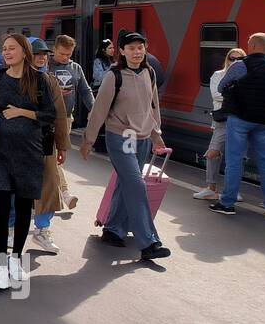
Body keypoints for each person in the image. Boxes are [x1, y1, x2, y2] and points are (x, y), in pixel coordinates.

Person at [80, 31, 171, 262]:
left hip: (141, 139)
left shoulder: (148, 73)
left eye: (140, 47)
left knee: (125, 184)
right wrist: (88, 140)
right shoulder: (114, 76)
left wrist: (156, 134)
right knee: (137, 186)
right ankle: (149, 242)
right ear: (121, 51)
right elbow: (99, 110)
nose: (137, 52)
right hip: (121, 138)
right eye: (131, 48)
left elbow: (152, 106)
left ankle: (113, 230)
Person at [0, 34, 55, 288]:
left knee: (25, 208)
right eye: (4, 49)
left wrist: (21, 112)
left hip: (29, 153)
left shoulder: (39, 80)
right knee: (1, 208)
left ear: (24, 51)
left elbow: (50, 114)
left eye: (11, 48)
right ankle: (1, 266)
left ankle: (16, 259)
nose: (6, 52)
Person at [211, 33, 265, 217]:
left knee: (234, 162)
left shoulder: (240, 65)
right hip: (264, 121)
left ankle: (227, 203)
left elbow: (221, 87)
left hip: (240, 118)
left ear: (252, 46)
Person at [27, 39, 71, 254]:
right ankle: (9, 228)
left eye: (44, 54)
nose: (42, 57)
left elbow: (60, 116)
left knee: (49, 187)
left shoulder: (50, 81)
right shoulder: (9, 79)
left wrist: (62, 145)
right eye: (37, 54)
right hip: (18, 145)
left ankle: (42, 230)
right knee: (17, 188)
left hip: (44, 142)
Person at [193, 47, 246, 201]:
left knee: (237, 156)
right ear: (227, 59)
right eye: (232, 58)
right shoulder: (218, 75)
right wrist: (238, 97)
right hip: (222, 119)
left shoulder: (247, 76)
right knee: (212, 153)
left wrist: (230, 95)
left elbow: (224, 95)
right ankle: (211, 188)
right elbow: (216, 94)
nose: (234, 61)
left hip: (240, 119)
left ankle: (233, 190)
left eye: (239, 59)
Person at [49, 34, 94, 139]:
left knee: (62, 152)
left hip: (66, 117)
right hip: (46, 117)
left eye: (69, 54)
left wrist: (93, 108)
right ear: (54, 49)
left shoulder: (76, 67)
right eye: (62, 54)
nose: (65, 57)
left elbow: (85, 90)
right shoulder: (45, 65)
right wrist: (53, 91)